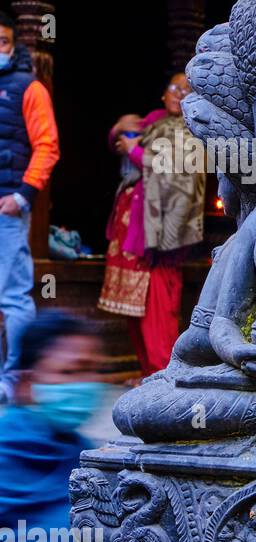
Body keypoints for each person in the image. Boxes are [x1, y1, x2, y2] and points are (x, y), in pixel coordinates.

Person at [111, 72, 205, 376]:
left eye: (187, 90)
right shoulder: (153, 120)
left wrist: (135, 151)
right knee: (137, 305)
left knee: (160, 302)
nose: (179, 93)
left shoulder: (193, 130)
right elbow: (123, 134)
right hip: (138, 223)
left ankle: (162, 373)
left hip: (167, 229)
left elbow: (172, 170)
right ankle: (146, 372)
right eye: (174, 87)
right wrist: (118, 131)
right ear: (163, 94)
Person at [0, 311, 106, 542]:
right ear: (27, 383)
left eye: (93, 370)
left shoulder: (82, 454)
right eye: (69, 371)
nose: (86, 383)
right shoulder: (7, 453)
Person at [0, 11, 60, 402]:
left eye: (2, 42)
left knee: (13, 295)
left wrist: (22, 196)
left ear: (13, 46)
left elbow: (47, 145)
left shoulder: (29, 87)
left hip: (6, 208)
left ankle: (13, 378)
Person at [97, 113, 155, 372]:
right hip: (124, 240)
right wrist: (118, 128)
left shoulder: (159, 134)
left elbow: (154, 165)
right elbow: (113, 141)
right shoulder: (129, 176)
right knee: (131, 312)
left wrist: (133, 146)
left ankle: (152, 373)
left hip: (142, 244)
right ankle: (144, 372)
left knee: (146, 313)